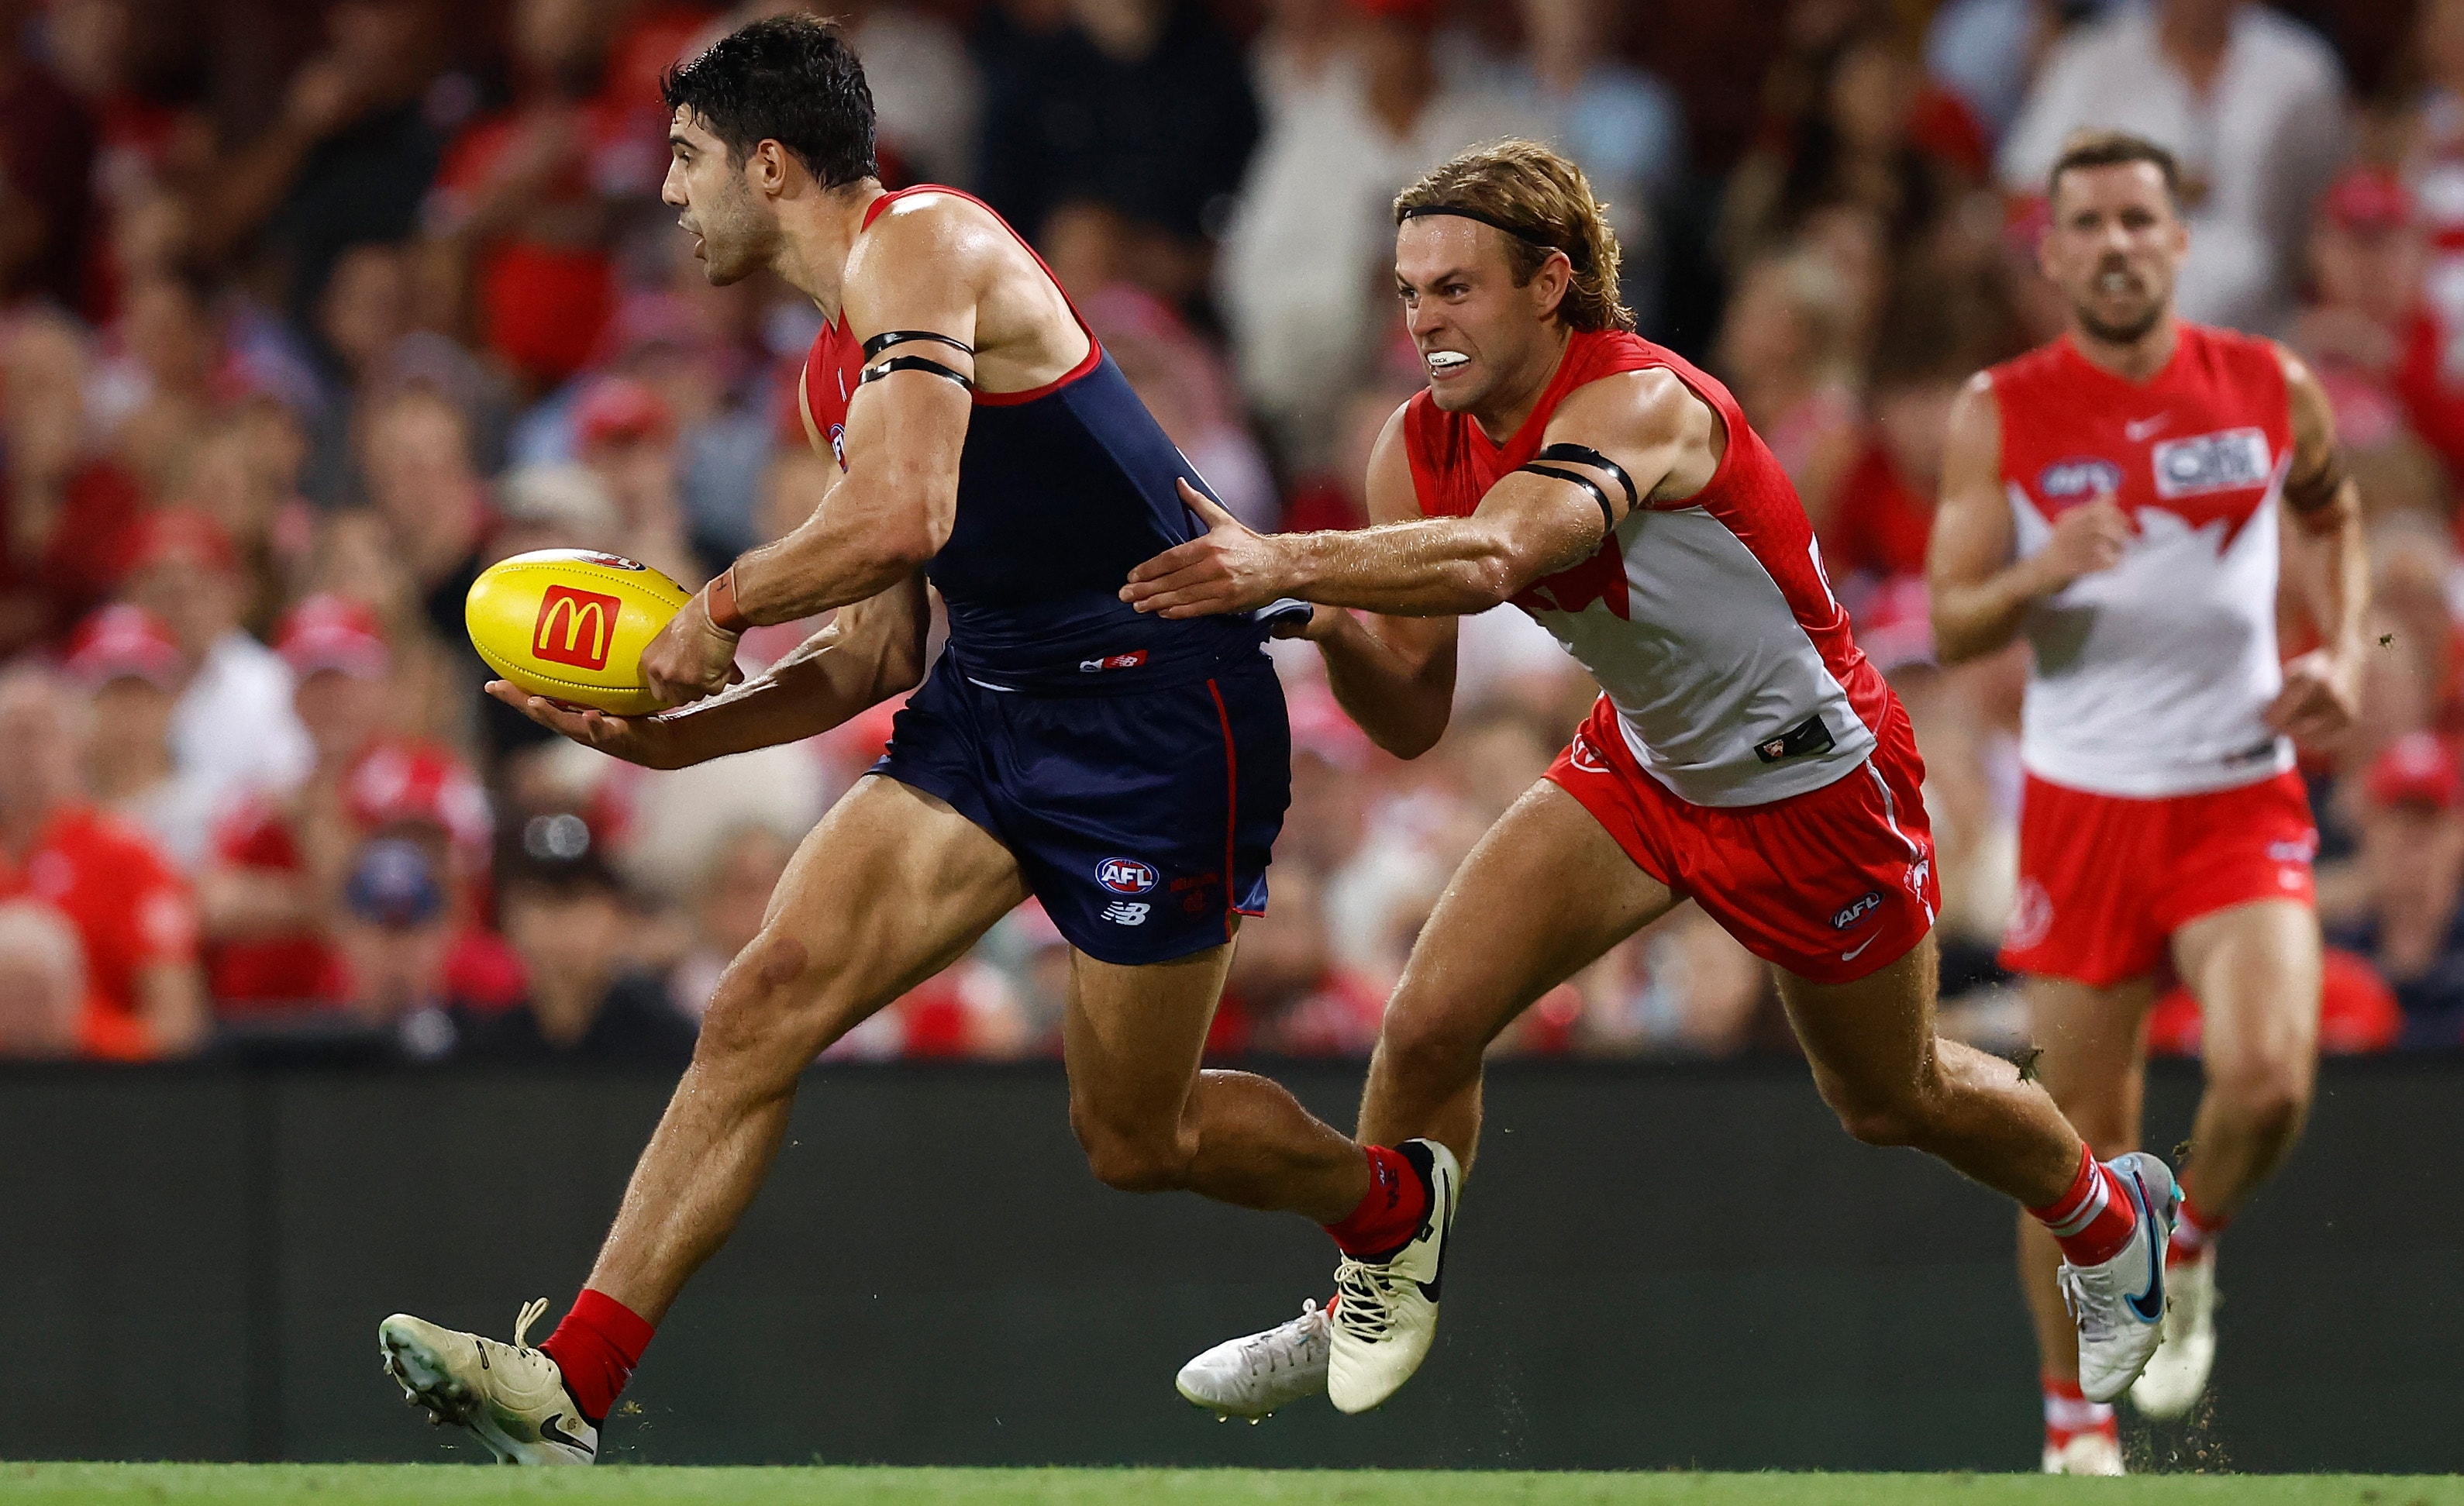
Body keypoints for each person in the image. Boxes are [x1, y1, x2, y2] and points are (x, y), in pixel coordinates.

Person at [377, 16, 1397, 1466]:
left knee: (1136, 1140)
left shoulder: (929, 242)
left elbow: (905, 512)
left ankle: (1389, 1210)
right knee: (758, 1004)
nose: (669, 195)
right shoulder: (824, 369)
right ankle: (572, 1389)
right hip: (989, 707)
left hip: (1160, 718)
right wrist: (670, 744)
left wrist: (722, 598)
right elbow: (875, 650)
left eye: (686, 160)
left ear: (772, 164)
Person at [1139, 139, 2174, 1424]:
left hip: (1813, 785)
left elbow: (1498, 557)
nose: (1424, 322)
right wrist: (1319, 616)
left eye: (1455, 289)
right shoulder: (1415, 446)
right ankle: (1371, 1287)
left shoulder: (1644, 402)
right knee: (1430, 1020)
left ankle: (2109, 1213)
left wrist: (1277, 556)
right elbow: (1409, 715)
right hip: (1642, 762)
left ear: (1549, 281)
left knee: (1888, 1097)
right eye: (1409, 293)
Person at [1926, 130, 2366, 1473]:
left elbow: (2333, 512)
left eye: (2139, 219)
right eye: (2089, 224)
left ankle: (2198, 1242)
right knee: (2073, 1143)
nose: (2116, 243)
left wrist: (2340, 649)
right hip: (2086, 805)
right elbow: (1951, 617)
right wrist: (2038, 570)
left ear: (2180, 241)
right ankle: (2076, 1430)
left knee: (2271, 1079)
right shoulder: (2002, 409)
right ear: (2051, 253)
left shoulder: (2267, 386)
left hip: (2236, 793)